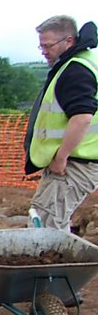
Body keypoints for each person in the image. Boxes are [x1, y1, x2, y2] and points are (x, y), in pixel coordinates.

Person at [25, 15, 98, 231]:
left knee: (46, 228)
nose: (44, 51)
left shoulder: (76, 70)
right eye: (41, 46)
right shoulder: (80, 63)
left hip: (75, 163)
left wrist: (61, 157)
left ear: (68, 41)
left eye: (48, 46)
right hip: (78, 161)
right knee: (49, 223)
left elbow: (83, 117)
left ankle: (54, 267)